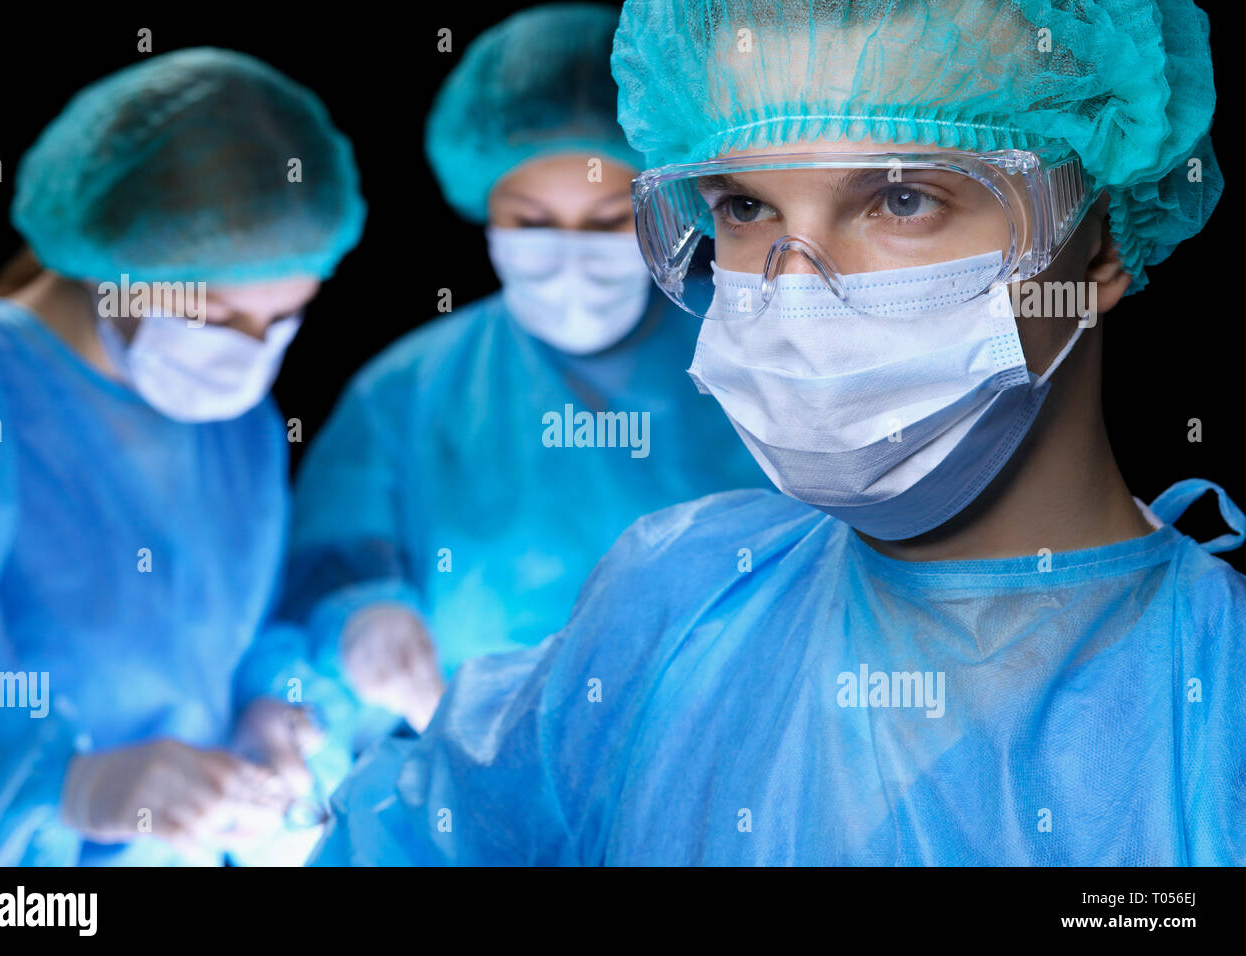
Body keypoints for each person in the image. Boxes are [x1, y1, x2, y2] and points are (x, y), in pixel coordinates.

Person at [310, 0, 1245, 866]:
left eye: (904, 197)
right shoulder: (676, 603)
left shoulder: (1217, 710)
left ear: (1103, 243)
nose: (798, 292)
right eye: (746, 207)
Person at [281, 2, 767, 743]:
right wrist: (359, 621)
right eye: (532, 221)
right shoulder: (406, 394)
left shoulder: (762, 346)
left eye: (608, 220)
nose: (569, 249)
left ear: (671, 206)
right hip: (490, 772)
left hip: (732, 754)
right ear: (483, 211)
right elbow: (326, 594)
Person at [0, 47, 366, 866]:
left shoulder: (232, 420)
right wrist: (58, 787)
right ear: (117, 258)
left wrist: (270, 709)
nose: (250, 354)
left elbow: (237, 628)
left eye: (285, 318)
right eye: (216, 312)